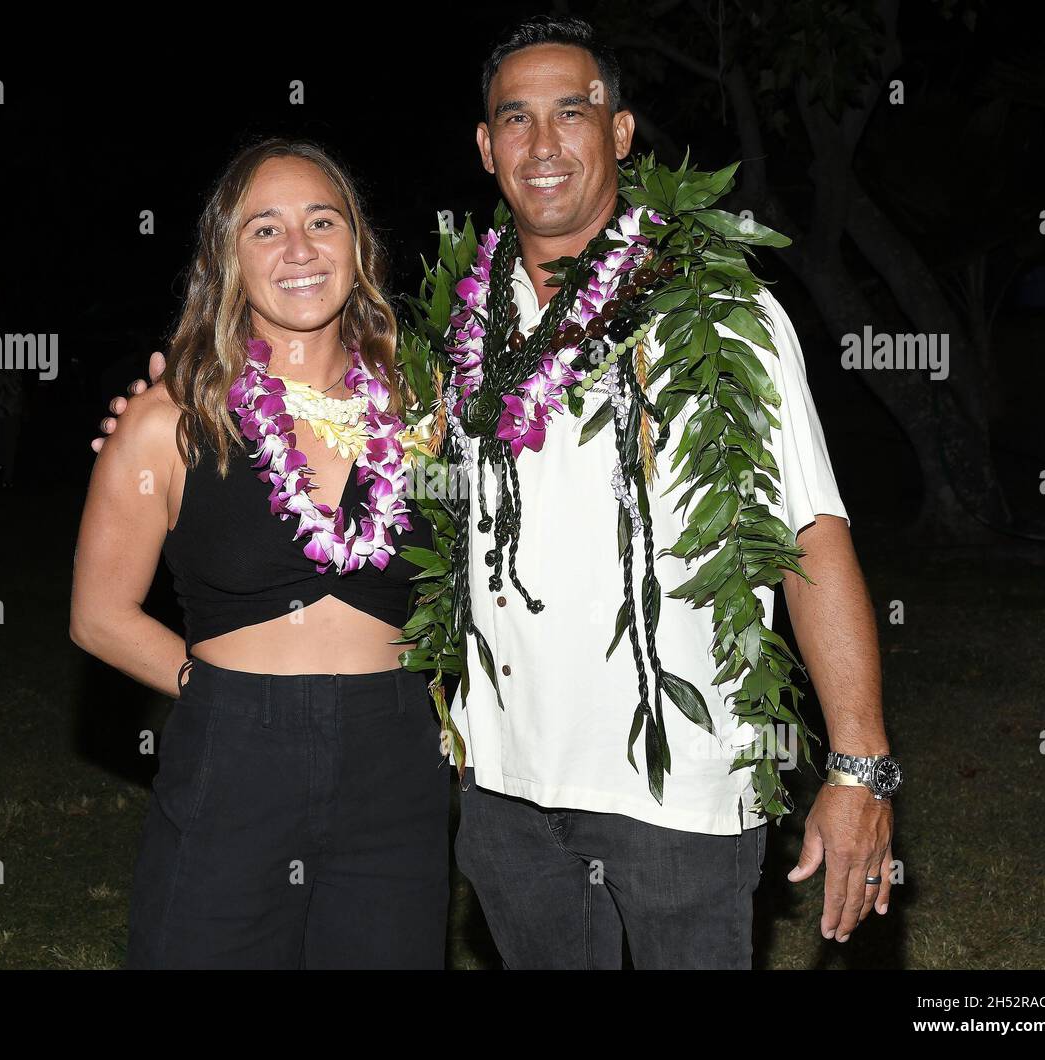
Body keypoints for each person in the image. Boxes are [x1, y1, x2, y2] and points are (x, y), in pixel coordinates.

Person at [96, 17, 898, 971]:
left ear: (622, 131)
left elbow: (807, 533)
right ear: (486, 147)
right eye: (516, 118)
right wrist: (162, 404)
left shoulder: (717, 311)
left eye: (574, 110)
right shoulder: (447, 347)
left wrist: (858, 764)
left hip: (675, 790)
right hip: (503, 791)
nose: (545, 143)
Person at [71, 138, 448, 969]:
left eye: (323, 221)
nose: (301, 250)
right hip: (233, 756)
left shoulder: (426, 411)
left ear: (358, 244)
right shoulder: (167, 421)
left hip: (395, 758)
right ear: (227, 257)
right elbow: (98, 616)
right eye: (266, 229)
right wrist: (218, 698)